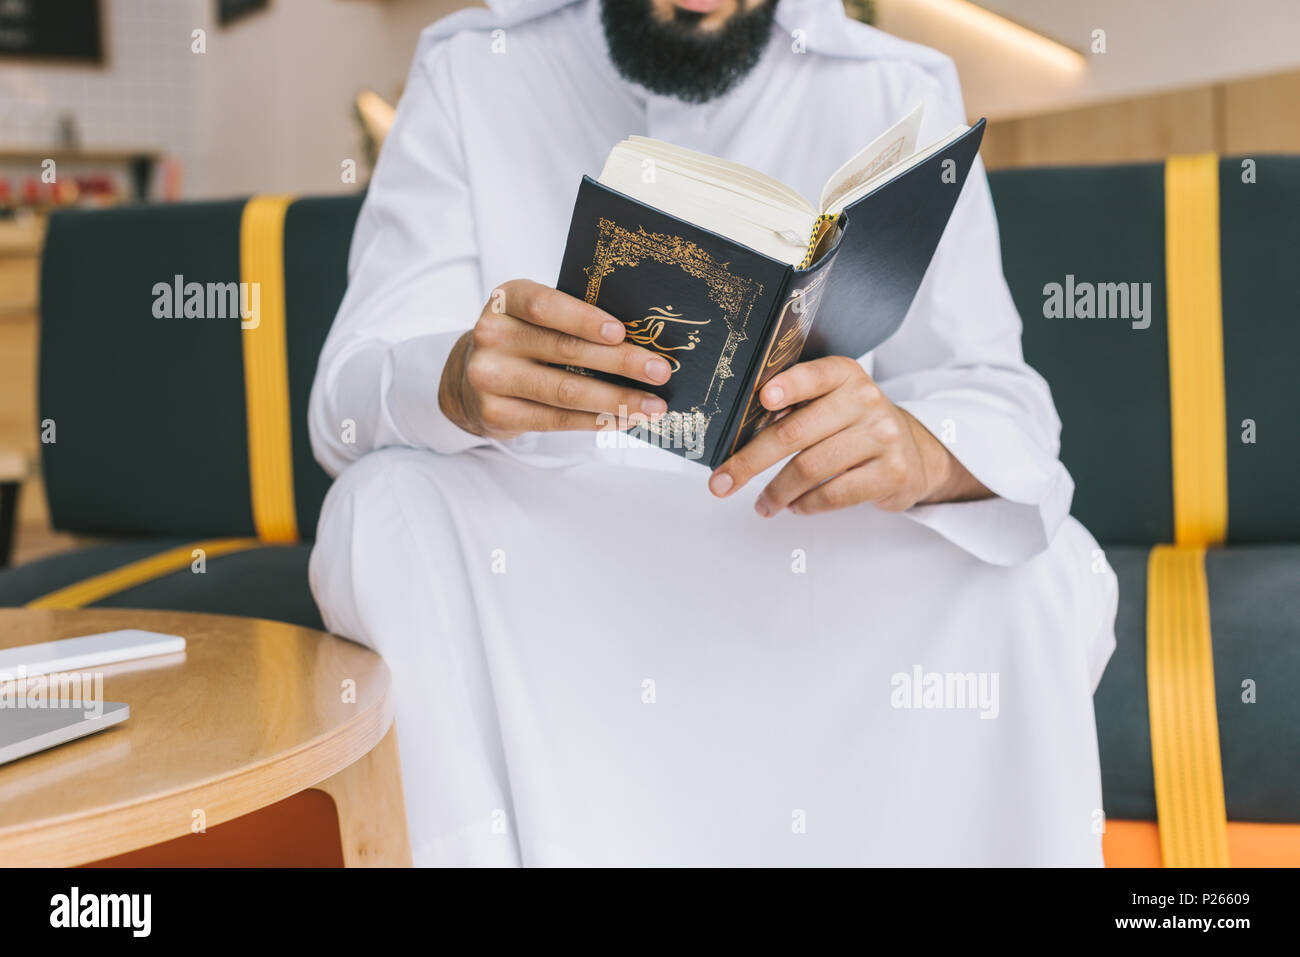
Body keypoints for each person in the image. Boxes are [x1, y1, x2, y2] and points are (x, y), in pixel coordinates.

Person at [307, 0, 1118, 866]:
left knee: (1041, 569)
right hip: (549, 568)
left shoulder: (896, 86)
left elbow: (1004, 403)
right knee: (379, 511)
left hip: (800, 553)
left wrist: (915, 448)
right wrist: (458, 382)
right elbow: (346, 403)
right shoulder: (471, 68)